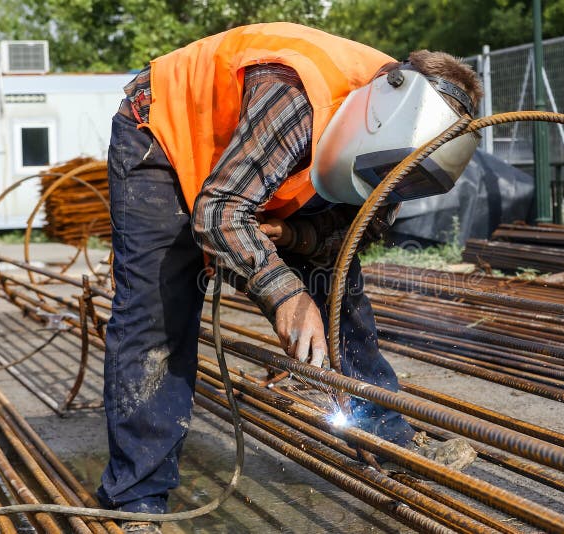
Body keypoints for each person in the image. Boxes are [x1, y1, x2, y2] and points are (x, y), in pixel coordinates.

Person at [96, 22, 482, 532]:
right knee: (158, 312)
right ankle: (137, 496)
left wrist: (293, 238)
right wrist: (286, 295)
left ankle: (386, 440)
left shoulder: (405, 146)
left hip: (248, 170)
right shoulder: (298, 93)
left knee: (340, 297)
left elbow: (351, 236)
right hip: (164, 136)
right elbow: (219, 212)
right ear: (376, 120)